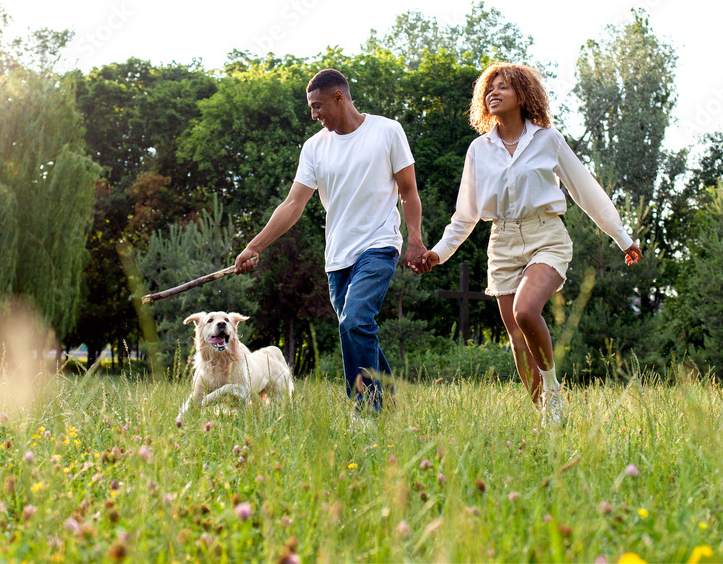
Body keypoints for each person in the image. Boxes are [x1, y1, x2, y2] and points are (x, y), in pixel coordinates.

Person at [419, 62, 642, 426]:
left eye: (503, 86)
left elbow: (585, 191)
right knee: (517, 341)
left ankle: (552, 388)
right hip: (501, 241)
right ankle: (549, 420)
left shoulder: (548, 140)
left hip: (546, 236)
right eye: (489, 88)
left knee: (525, 312)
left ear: (522, 95)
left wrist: (621, 236)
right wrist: (438, 252)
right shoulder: (479, 149)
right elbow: (466, 213)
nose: (494, 92)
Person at [234, 69, 426, 414]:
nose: (313, 115)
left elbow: (408, 191)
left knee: (353, 321)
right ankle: (390, 404)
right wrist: (255, 246)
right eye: (311, 108)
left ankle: (366, 410)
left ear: (339, 97)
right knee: (357, 329)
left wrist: (416, 239)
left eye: (317, 106)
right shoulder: (314, 147)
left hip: (379, 245)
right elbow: (293, 204)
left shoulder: (387, 131)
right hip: (337, 257)